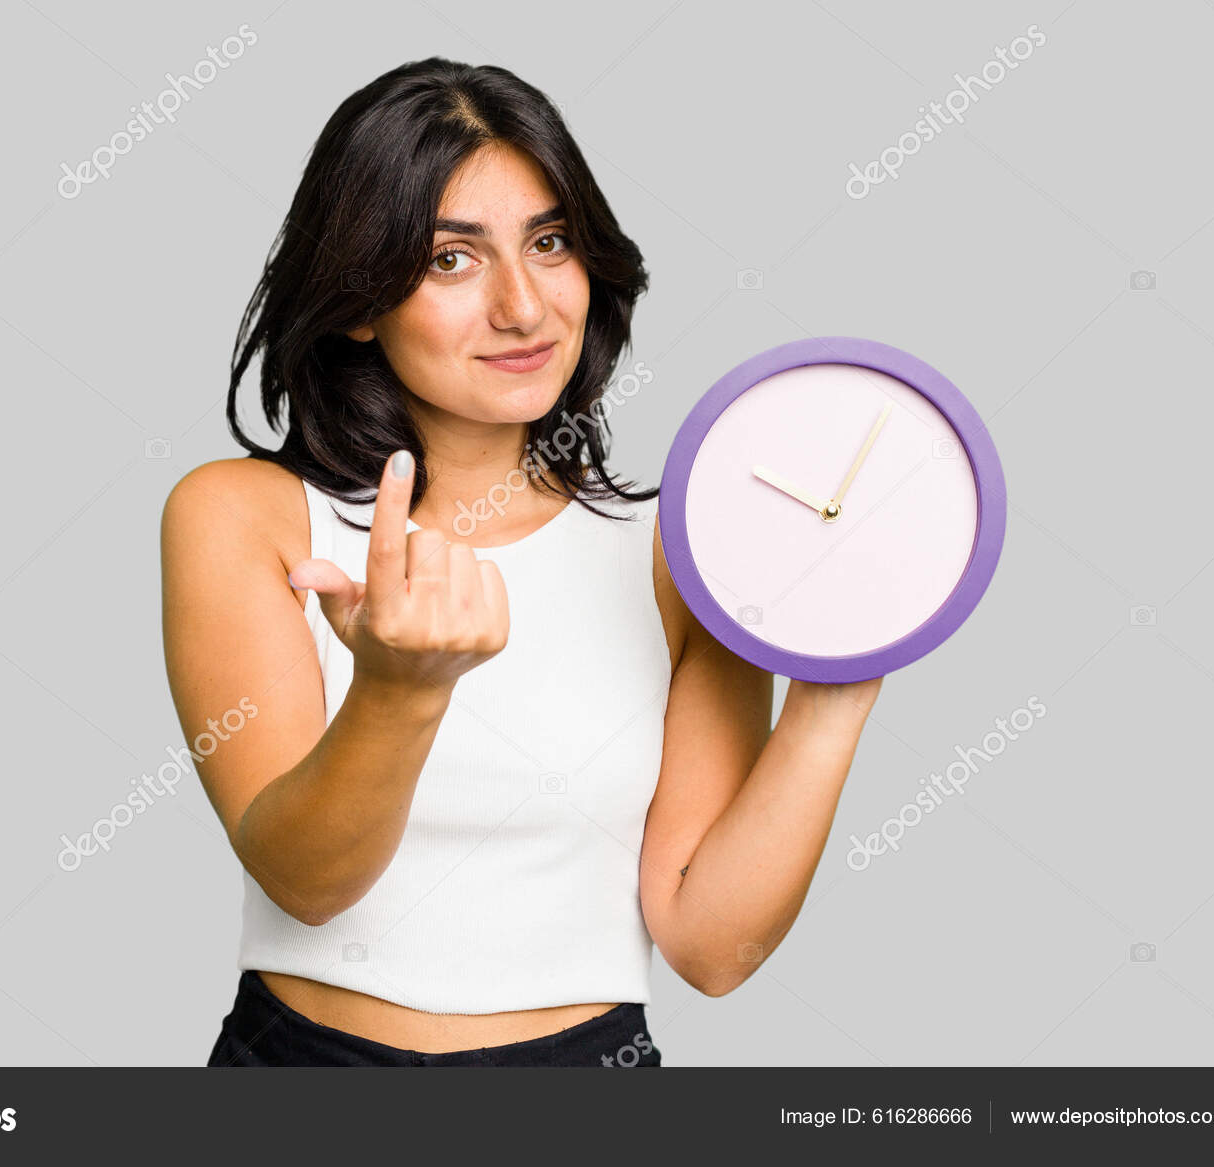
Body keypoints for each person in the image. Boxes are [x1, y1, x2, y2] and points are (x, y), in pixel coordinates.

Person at [160, 57, 882, 1067]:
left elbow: (710, 948)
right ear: (360, 298)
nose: (523, 307)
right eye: (450, 260)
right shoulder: (245, 517)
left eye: (549, 244)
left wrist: (839, 685)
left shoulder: (678, 554)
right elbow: (303, 879)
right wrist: (399, 690)